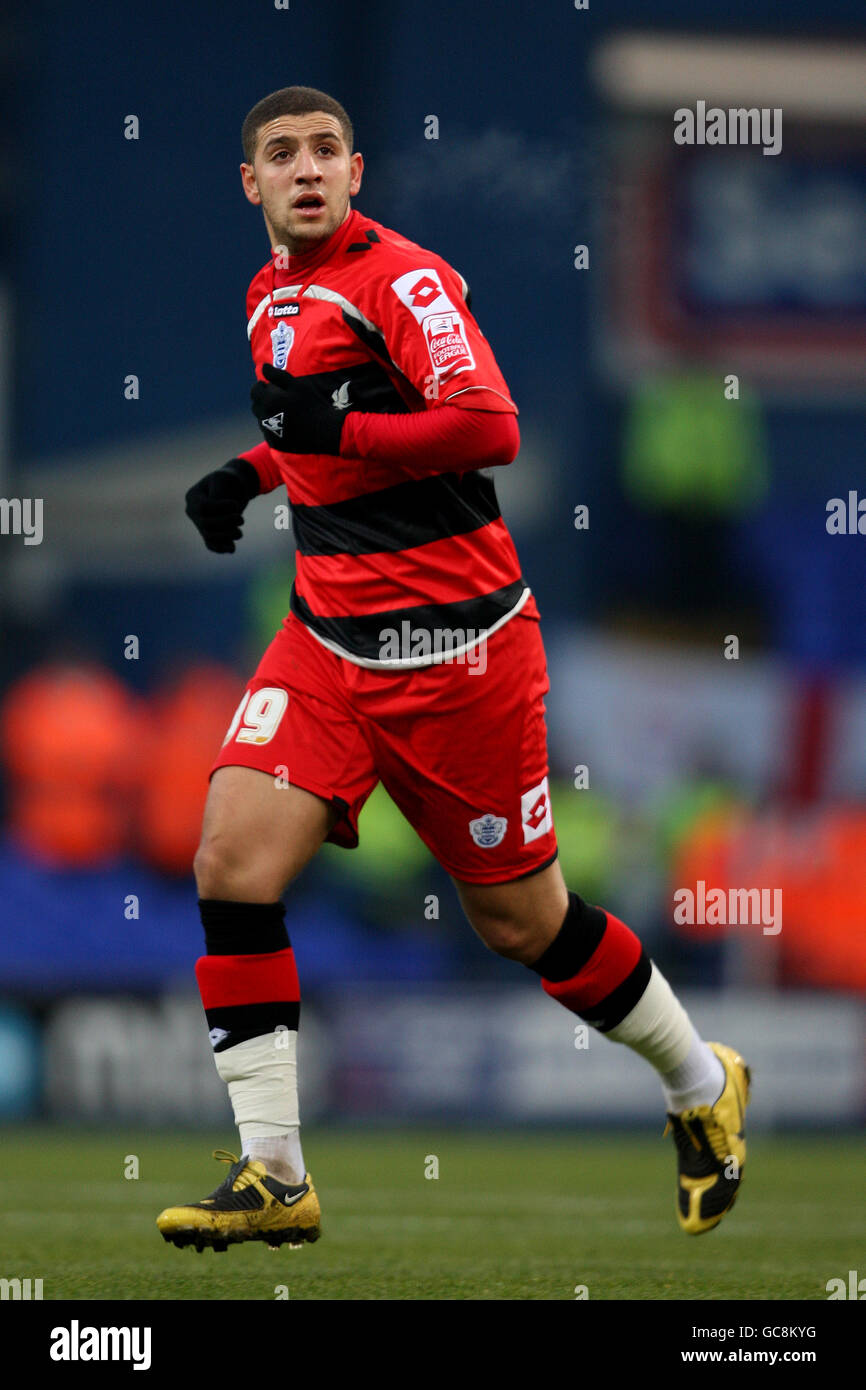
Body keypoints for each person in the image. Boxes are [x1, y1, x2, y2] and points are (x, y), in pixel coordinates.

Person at [157, 85, 750, 1255]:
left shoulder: (404, 281)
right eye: (282, 153)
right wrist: (253, 469)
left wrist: (332, 434)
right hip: (327, 640)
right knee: (228, 857)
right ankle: (274, 1171)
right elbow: (316, 426)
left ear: (358, 170)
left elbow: (488, 427)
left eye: (326, 149)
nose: (307, 168)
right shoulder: (268, 292)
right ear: (251, 185)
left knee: (522, 924)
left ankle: (699, 1078)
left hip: (461, 655)